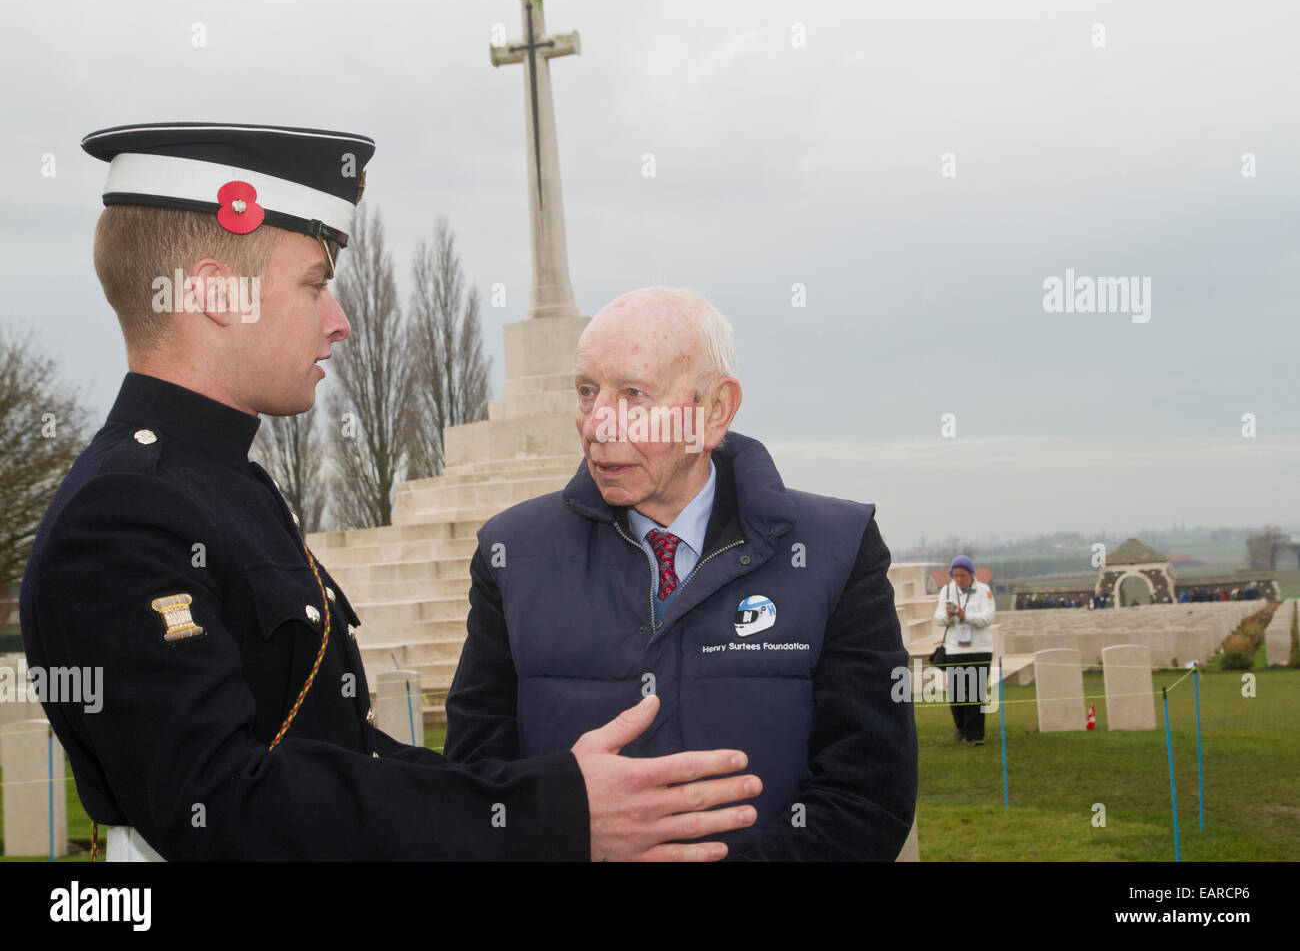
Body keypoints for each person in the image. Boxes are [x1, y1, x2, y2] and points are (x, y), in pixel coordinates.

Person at [18, 123, 763, 861]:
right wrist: (555, 813)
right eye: (314, 284)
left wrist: (550, 792)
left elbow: (343, 758)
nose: (339, 323)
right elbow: (223, 801)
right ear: (218, 293)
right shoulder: (120, 517)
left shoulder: (218, 487)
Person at [443, 287, 918, 861]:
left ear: (715, 411)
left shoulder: (836, 548)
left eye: (633, 395)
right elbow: (474, 786)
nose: (597, 424)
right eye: (588, 392)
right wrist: (560, 822)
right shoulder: (510, 554)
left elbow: (868, 795)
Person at [932, 555, 996, 745]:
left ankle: (975, 735)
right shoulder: (947, 591)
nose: (959, 580)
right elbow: (938, 618)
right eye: (956, 576)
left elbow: (987, 617)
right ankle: (960, 725)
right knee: (957, 693)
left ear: (971, 574)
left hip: (979, 648)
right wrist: (949, 616)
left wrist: (965, 615)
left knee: (976, 693)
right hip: (955, 650)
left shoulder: (984, 590)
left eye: (963, 575)